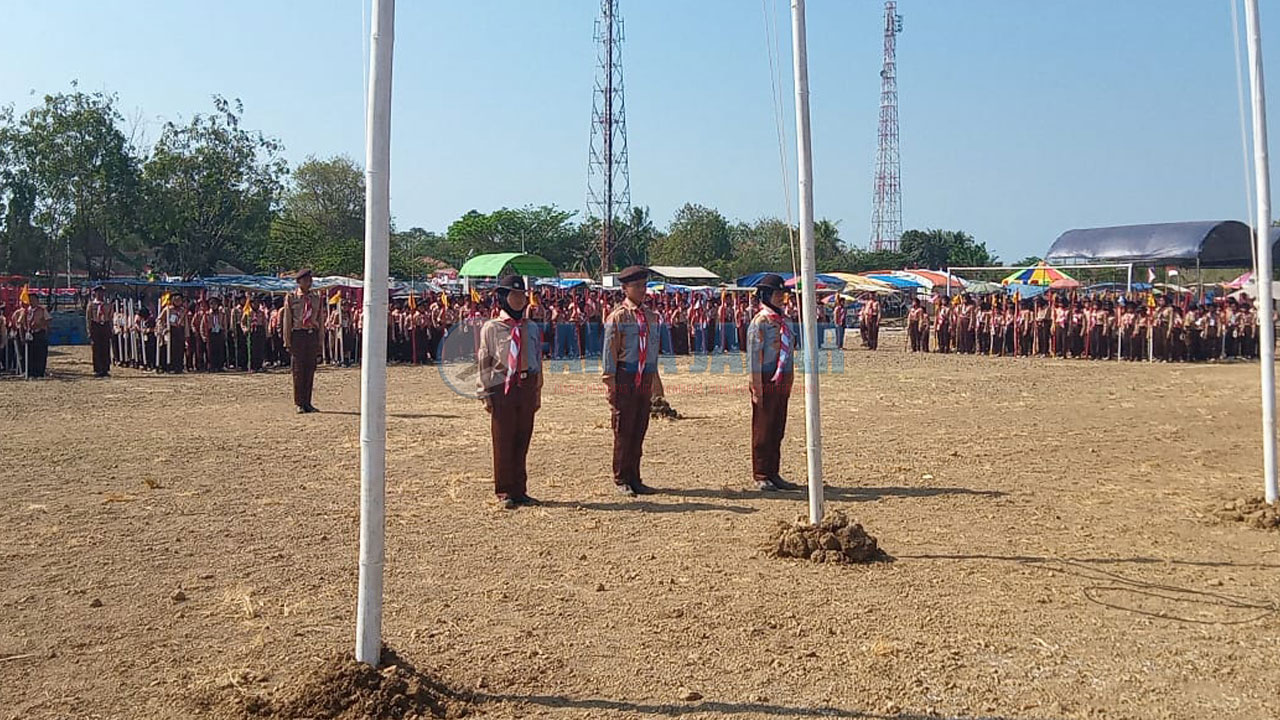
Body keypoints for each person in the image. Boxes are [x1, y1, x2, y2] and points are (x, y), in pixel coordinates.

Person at [477, 275, 543, 510]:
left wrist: (537, 391)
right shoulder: (492, 328)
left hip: (526, 384)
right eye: (513, 295)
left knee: (523, 437)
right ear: (503, 298)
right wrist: (484, 393)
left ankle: (520, 489)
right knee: (503, 439)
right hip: (502, 387)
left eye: (522, 295)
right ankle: (504, 490)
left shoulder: (531, 326)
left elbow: (537, 359)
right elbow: (485, 361)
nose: (519, 299)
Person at [602, 265, 665, 497]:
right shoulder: (618, 316)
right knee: (623, 428)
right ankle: (621, 478)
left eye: (644, 285)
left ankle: (635, 476)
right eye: (636, 286)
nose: (641, 290)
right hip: (625, 375)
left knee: (639, 427)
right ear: (625, 288)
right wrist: (610, 382)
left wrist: (656, 382)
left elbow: (652, 351)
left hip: (644, 376)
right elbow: (610, 351)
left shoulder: (651, 317)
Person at [746, 274, 801, 492]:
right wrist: (756, 387)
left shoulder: (785, 320)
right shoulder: (760, 322)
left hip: (782, 379)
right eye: (777, 294)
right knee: (763, 429)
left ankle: (774, 472)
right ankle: (761, 474)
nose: (781, 298)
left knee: (778, 427)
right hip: (765, 378)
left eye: (782, 294)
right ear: (766, 296)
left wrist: (790, 378)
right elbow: (753, 358)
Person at [283, 268, 325, 413]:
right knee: (298, 370)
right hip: (298, 334)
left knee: (310, 369)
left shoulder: (316, 298)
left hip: (311, 334)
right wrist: (287, 340)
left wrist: (320, 340)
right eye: (305, 280)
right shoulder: (291, 297)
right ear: (299, 282)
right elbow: (287, 320)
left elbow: (320, 318)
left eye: (310, 280)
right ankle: (299, 402)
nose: (309, 282)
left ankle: (308, 402)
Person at [15, 293, 51, 378]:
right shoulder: (26, 310)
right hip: (29, 334)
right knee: (29, 353)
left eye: (33, 300)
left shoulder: (42, 309)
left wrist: (39, 324)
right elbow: (20, 322)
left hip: (39, 333)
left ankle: (39, 372)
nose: (32, 301)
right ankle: (29, 371)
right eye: (30, 300)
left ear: (37, 300)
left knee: (40, 354)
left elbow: (48, 320)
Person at [86, 285, 112, 377]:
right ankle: (98, 369)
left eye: (102, 292)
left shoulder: (107, 305)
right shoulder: (91, 305)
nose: (100, 294)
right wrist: (89, 331)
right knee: (96, 348)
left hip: (104, 325)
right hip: (95, 325)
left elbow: (110, 317)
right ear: (95, 293)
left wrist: (110, 329)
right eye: (98, 292)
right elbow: (88, 318)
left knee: (105, 348)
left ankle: (105, 368)